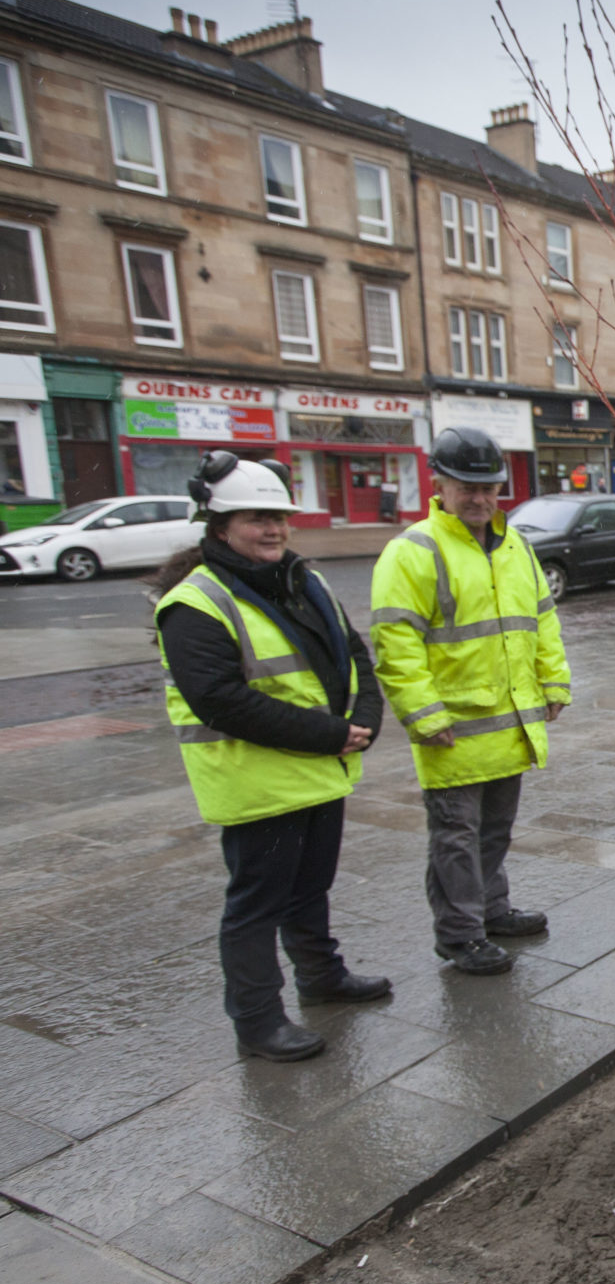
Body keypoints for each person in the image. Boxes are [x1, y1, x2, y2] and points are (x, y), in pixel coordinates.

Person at [154, 451, 389, 1062]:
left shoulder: (300, 578)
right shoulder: (194, 602)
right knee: (255, 906)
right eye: (257, 518)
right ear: (220, 525)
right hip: (258, 783)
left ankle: (321, 976)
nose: (273, 529)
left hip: (317, 772)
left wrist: (364, 718)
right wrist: (331, 735)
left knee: (311, 888)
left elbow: (353, 654)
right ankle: (257, 1022)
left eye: (279, 517)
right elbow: (220, 701)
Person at [371, 428, 570, 976]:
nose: (480, 498)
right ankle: (460, 935)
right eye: (467, 487)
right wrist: (423, 715)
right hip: (453, 726)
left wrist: (553, 683)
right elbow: (396, 644)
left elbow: (542, 621)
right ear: (439, 483)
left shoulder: (515, 547)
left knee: (494, 830)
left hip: (509, 723)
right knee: (456, 837)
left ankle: (491, 908)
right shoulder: (414, 551)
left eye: (490, 488)